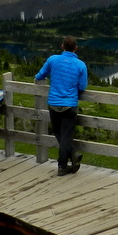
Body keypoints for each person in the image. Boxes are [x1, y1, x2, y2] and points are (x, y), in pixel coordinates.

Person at [34, 36, 87, 176]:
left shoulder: (52, 59)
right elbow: (82, 86)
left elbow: (39, 76)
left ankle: (66, 161)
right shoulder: (81, 65)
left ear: (62, 46)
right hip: (70, 105)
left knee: (58, 132)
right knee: (66, 136)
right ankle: (65, 162)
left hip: (54, 103)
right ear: (75, 48)